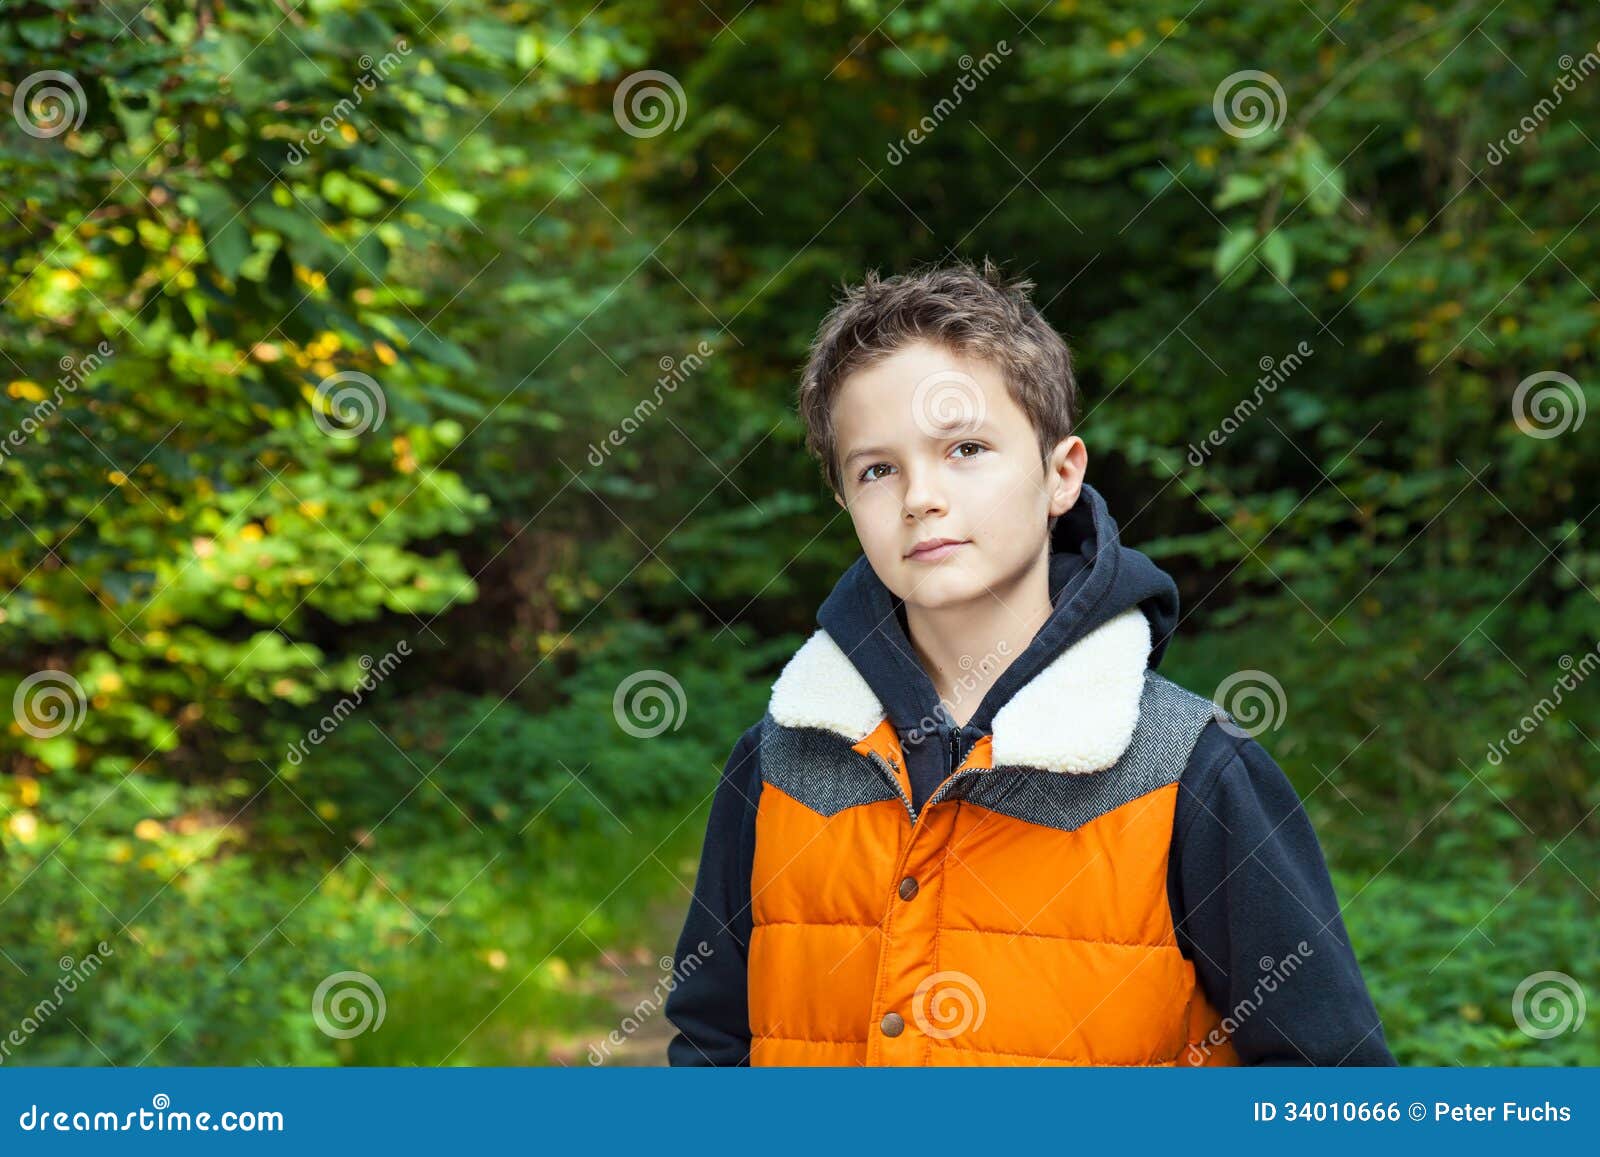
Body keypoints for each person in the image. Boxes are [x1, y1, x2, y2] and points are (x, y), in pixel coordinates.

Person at [663, 258, 1394, 1066]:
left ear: (1061, 475)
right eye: (877, 469)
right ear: (845, 501)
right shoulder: (776, 761)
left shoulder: (1193, 773)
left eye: (966, 448)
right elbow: (710, 1044)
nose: (920, 497)